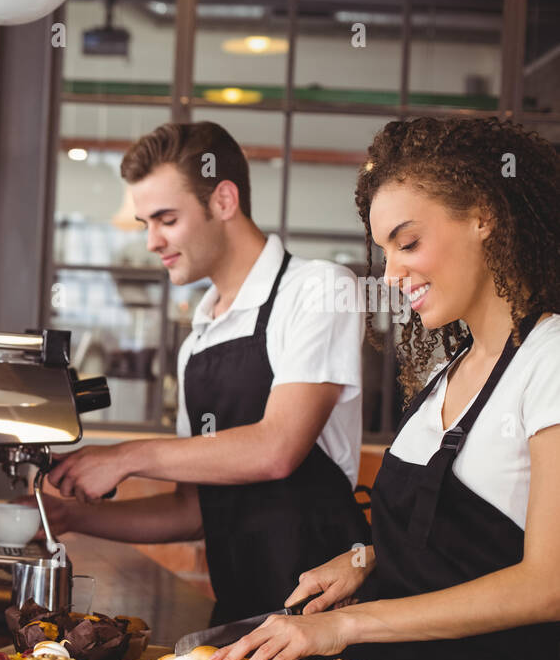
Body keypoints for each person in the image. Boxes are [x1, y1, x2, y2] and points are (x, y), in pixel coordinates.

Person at [210, 117, 560, 660]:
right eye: (385, 251)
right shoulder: (446, 373)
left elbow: (546, 583)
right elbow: (458, 540)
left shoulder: (550, 357)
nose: (392, 274)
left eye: (408, 242)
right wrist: (365, 560)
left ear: (484, 215)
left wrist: (348, 625)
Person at [45, 122, 369, 625]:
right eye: (145, 222)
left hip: (325, 618)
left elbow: (276, 449)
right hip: (238, 616)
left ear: (222, 200)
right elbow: (194, 512)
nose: (152, 241)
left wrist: (127, 457)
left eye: (166, 219)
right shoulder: (198, 339)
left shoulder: (319, 289)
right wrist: (71, 516)